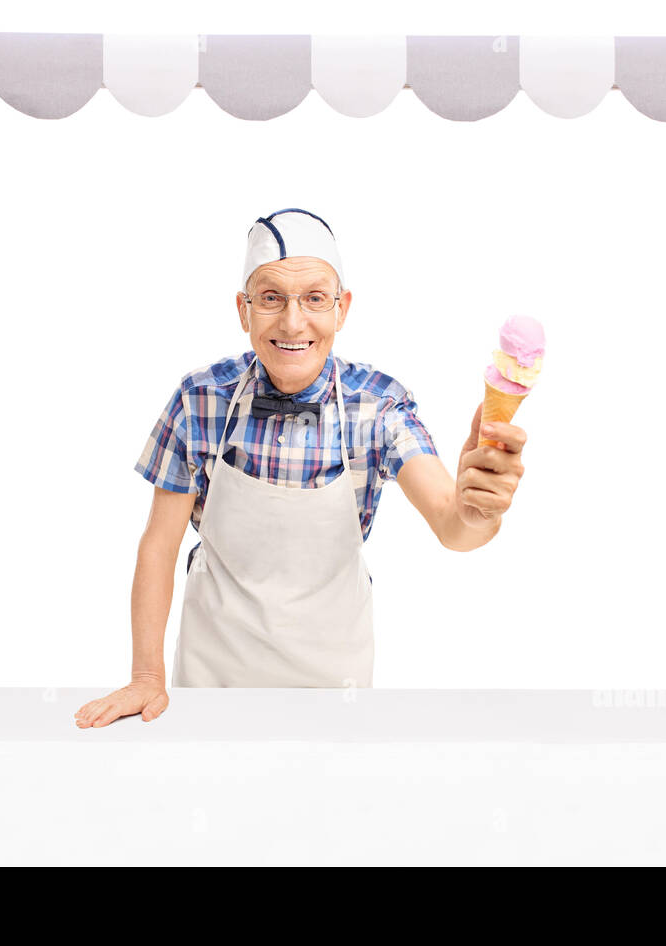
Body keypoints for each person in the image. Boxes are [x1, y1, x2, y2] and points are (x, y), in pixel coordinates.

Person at [75, 208, 526, 726]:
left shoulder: (376, 406)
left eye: (314, 298)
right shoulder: (201, 398)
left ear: (342, 309)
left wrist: (479, 507)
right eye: (271, 298)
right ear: (244, 311)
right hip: (212, 680)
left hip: (336, 687)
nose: (293, 322)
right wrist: (147, 678)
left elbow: (454, 527)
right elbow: (159, 544)